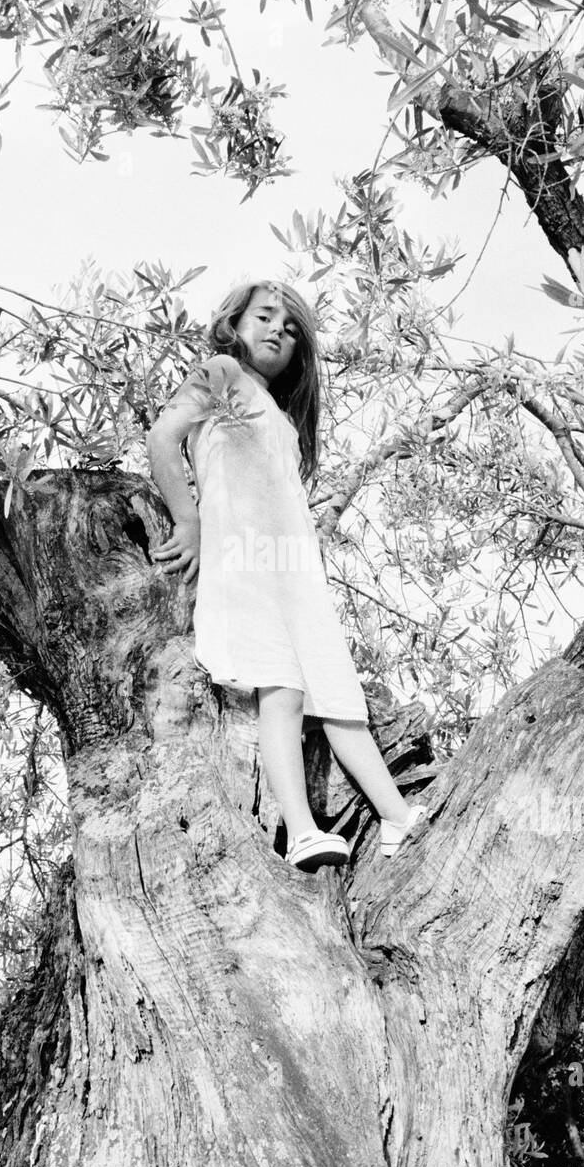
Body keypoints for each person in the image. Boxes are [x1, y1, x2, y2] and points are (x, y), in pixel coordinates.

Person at [146, 279, 427, 871]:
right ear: (234, 324)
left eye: (292, 328)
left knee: (338, 693)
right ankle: (302, 831)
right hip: (246, 562)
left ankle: (396, 815)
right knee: (284, 688)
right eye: (265, 317)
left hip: (294, 572)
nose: (278, 329)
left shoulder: (276, 410)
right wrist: (188, 520)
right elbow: (163, 437)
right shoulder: (222, 372)